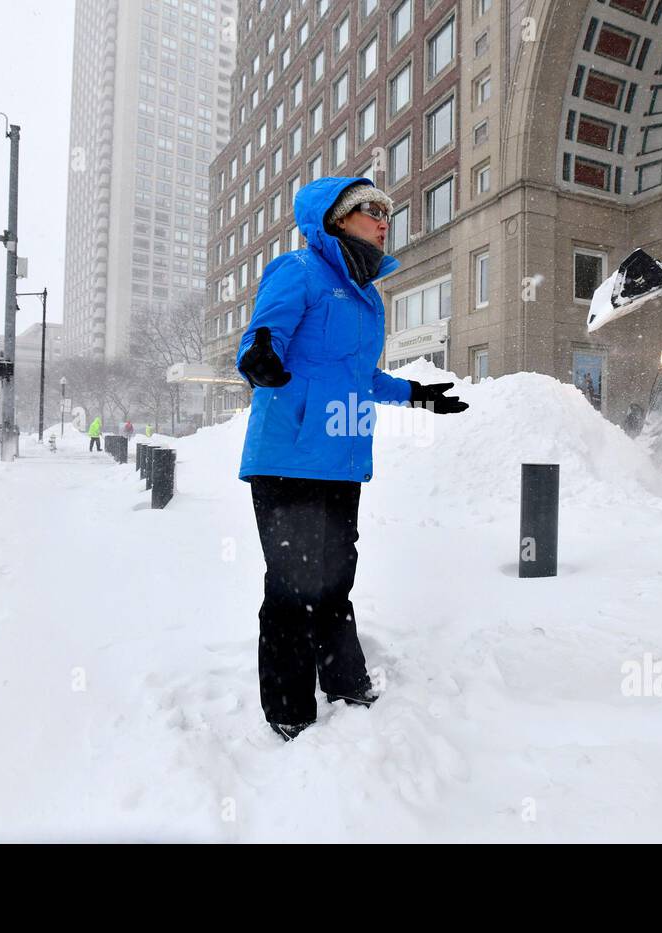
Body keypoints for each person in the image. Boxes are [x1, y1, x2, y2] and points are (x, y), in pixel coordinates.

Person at [236, 176, 469, 742]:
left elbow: (360, 377)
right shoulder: (299, 270)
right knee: (291, 585)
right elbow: (261, 337)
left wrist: (416, 394)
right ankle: (288, 706)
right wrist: (260, 357)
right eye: (371, 210)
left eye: (387, 212)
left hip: (342, 456)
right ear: (338, 219)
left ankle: (342, 677)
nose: (384, 220)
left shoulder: (365, 294)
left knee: (335, 577)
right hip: (289, 454)